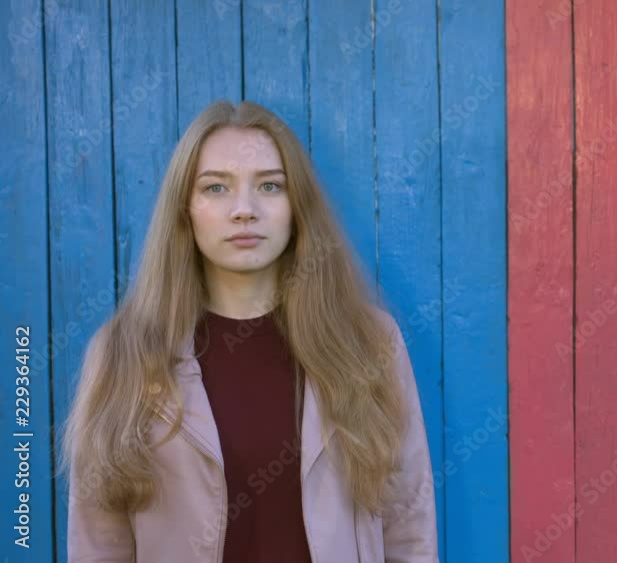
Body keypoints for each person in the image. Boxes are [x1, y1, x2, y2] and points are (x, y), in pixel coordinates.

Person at [59, 100, 438, 562]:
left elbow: (409, 524)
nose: (244, 209)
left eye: (270, 186)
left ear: (297, 206)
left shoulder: (369, 343)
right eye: (216, 187)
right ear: (186, 210)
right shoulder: (124, 352)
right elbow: (99, 543)